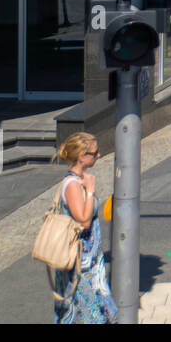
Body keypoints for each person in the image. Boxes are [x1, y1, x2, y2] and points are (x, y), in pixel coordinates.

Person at [50, 133, 117, 324]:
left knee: (97, 312)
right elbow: (84, 221)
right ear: (81, 156)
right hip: (79, 263)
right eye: (94, 153)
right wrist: (90, 190)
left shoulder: (79, 180)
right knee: (89, 314)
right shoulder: (72, 185)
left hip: (89, 259)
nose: (98, 156)